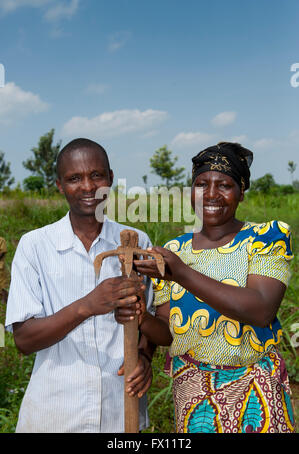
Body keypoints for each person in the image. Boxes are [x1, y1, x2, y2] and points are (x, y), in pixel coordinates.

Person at [117, 142, 296, 433]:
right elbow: (166, 331)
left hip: (254, 390)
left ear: (241, 190)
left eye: (224, 185)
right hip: (194, 395)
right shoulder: (175, 249)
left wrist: (180, 272)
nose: (211, 194)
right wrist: (142, 318)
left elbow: (261, 309)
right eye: (201, 184)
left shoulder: (266, 237)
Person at [5, 138, 155, 433]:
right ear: (60, 185)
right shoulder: (35, 246)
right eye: (74, 178)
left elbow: (147, 320)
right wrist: (86, 306)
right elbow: (24, 340)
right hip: (55, 414)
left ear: (110, 178)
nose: (88, 186)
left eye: (96, 175)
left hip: (120, 409)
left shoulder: (135, 242)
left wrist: (145, 357)